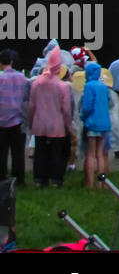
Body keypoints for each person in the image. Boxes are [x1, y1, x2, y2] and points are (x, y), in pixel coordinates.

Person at [30, 48, 74, 189]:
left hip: (39, 124)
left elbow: (31, 106)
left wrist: (31, 122)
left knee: (40, 152)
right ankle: (56, 180)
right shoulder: (63, 86)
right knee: (57, 153)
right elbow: (66, 110)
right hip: (57, 125)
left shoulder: (36, 84)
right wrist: (69, 126)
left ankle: (39, 179)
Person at [79, 60, 111, 190]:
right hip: (104, 123)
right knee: (100, 154)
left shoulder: (89, 86)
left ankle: (90, 183)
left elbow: (87, 106)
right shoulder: (103, 86)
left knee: (91, 154)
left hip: (92, 123)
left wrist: (83, 117)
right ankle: (101, 183)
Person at [0, 50, 29, 187]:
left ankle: (2, 177)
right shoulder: (22, 78)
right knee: (18, 153)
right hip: (17, 120)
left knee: (2, 153)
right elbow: (26, 98)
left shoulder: (0, 78)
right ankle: (19, 179)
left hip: (1, 121)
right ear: (11, 61)